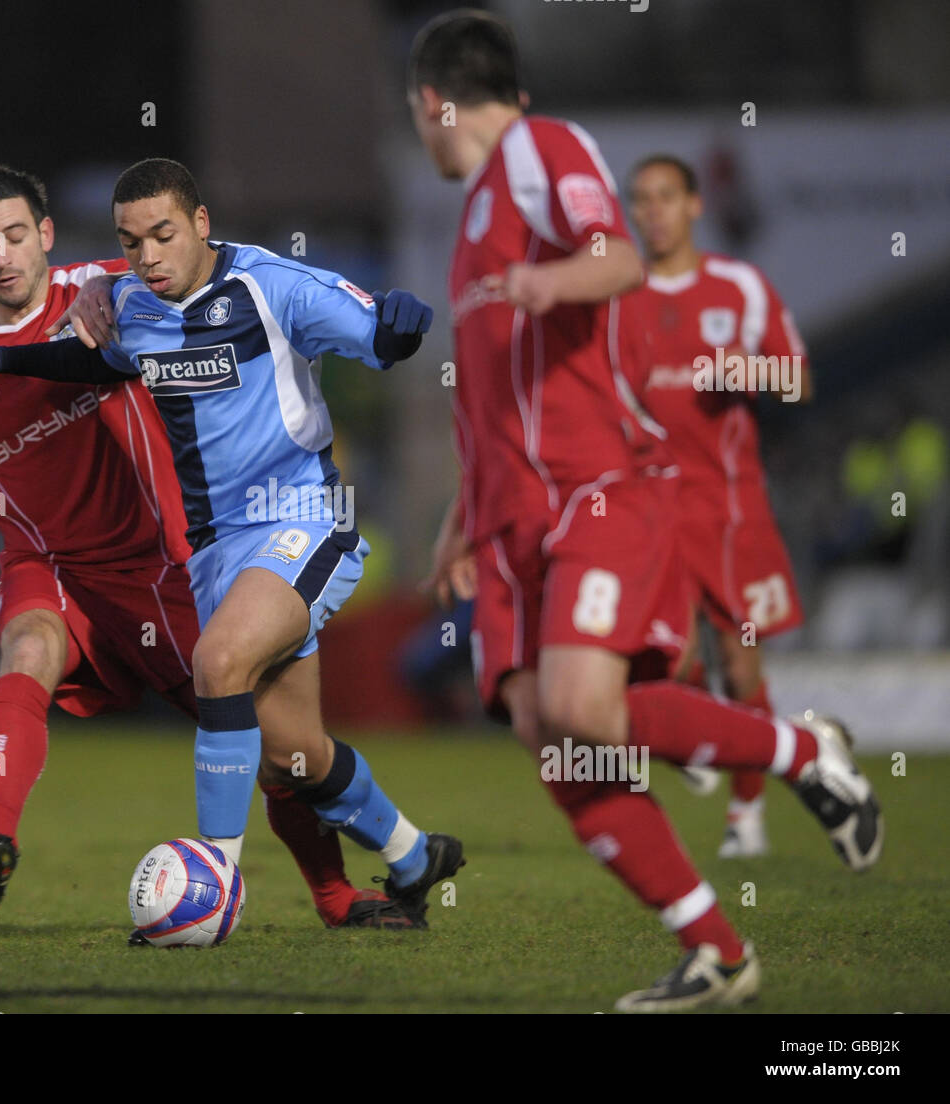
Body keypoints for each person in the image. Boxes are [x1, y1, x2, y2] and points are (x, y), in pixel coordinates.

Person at [0, 164, 412, 932]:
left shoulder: (115, 288)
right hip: (54, 567)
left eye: (16, 236)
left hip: (174, 563)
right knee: (26, 647)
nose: (2, 255)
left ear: (46, 237)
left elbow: (201, 254)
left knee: (283, 752)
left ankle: (344, 893)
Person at [407, 9, 881, 1010]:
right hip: (507, 520)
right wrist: (463, 512)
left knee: (586, 711)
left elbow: (613, 257)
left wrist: (547, 277)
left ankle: (799, 751)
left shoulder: (538, 147)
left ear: (430, 102)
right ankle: (717, 950)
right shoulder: (474, 226)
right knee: (562, 737)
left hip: (593, 493)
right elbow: (503, 399)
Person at [0, 157, 466, 927]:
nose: (148, 257)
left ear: (201, 224)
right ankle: (412, 855)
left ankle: (214, 883)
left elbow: (376, 333)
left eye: (163, 235)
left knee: (217, 664)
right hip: (213, 549)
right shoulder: (133, 304)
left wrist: (399, 325)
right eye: (131, 243)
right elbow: (86, 361)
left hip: (300, 517)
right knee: (292, 750)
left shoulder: (274, 286)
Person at [625, 153, 812, 857]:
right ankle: (693, 742)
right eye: (641, 200)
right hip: (647, 505)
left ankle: (747, 814)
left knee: (743, 660)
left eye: (666, 197)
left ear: (695, 205)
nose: (654, 212)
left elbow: (797, 379)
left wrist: (749, 369)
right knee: (652, 663)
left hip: (730, 508)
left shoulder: (739, 287)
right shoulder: (617, 294)